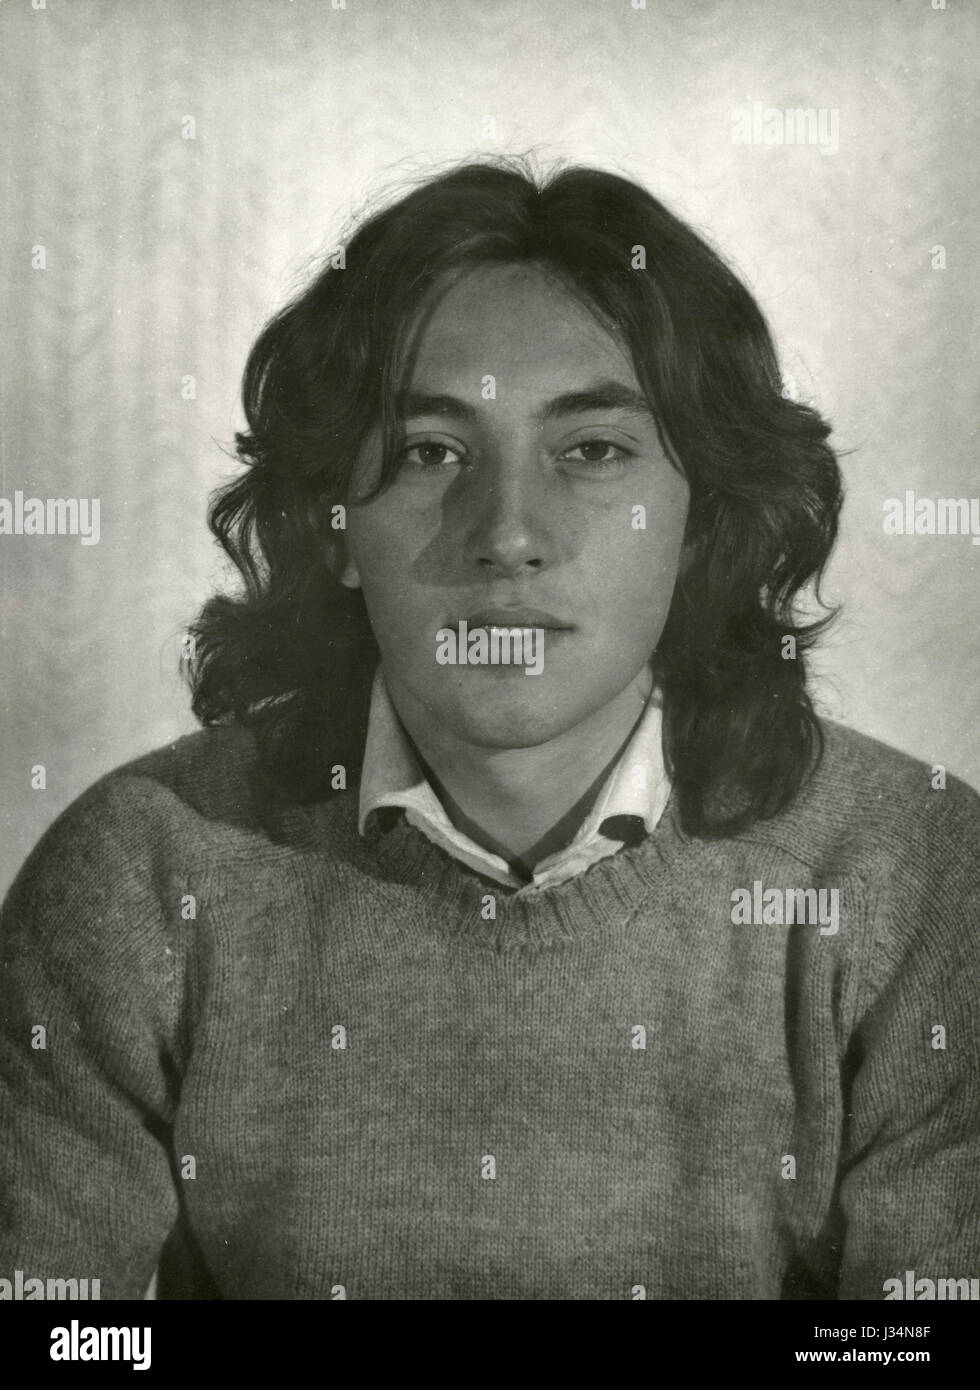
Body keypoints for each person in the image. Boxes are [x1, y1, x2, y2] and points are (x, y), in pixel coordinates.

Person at [1, 157, 977, 1302]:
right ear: (330, 526)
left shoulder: (916, 878)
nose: (506, 534)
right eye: (430, 452)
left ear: (702, 517)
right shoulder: (138, 872)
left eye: (591, 451)